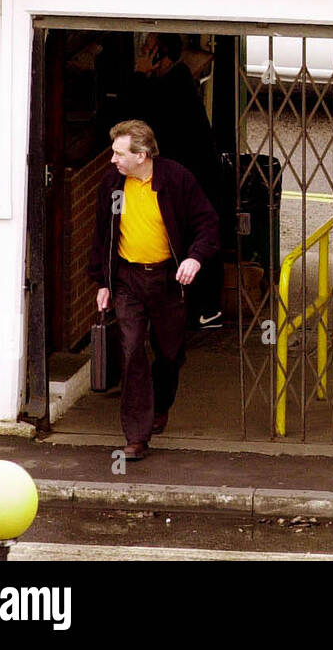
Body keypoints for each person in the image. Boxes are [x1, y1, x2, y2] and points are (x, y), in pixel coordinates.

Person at [87, 120, 220, 460]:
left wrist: (194, 259)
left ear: (141, 155)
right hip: (128, 279)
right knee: (132, 350)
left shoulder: (176, 179)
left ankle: (161, 406)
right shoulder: (113, 184)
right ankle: (136, 437)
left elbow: (207, 223)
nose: (112, 160)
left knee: (169, 354)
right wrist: (103, 281)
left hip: (167, 279)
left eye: (118, 153)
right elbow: (103, 235)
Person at [127, 32, 225, 329]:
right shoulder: (178, 79)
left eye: (147, 49)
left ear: (160, 54)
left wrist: (138, 75)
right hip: (196, 174)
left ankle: (201, 309)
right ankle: (204, 308)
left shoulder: (168, 87)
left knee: (189, 238)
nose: (142, 52)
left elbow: (135, 118)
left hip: (191, 178)